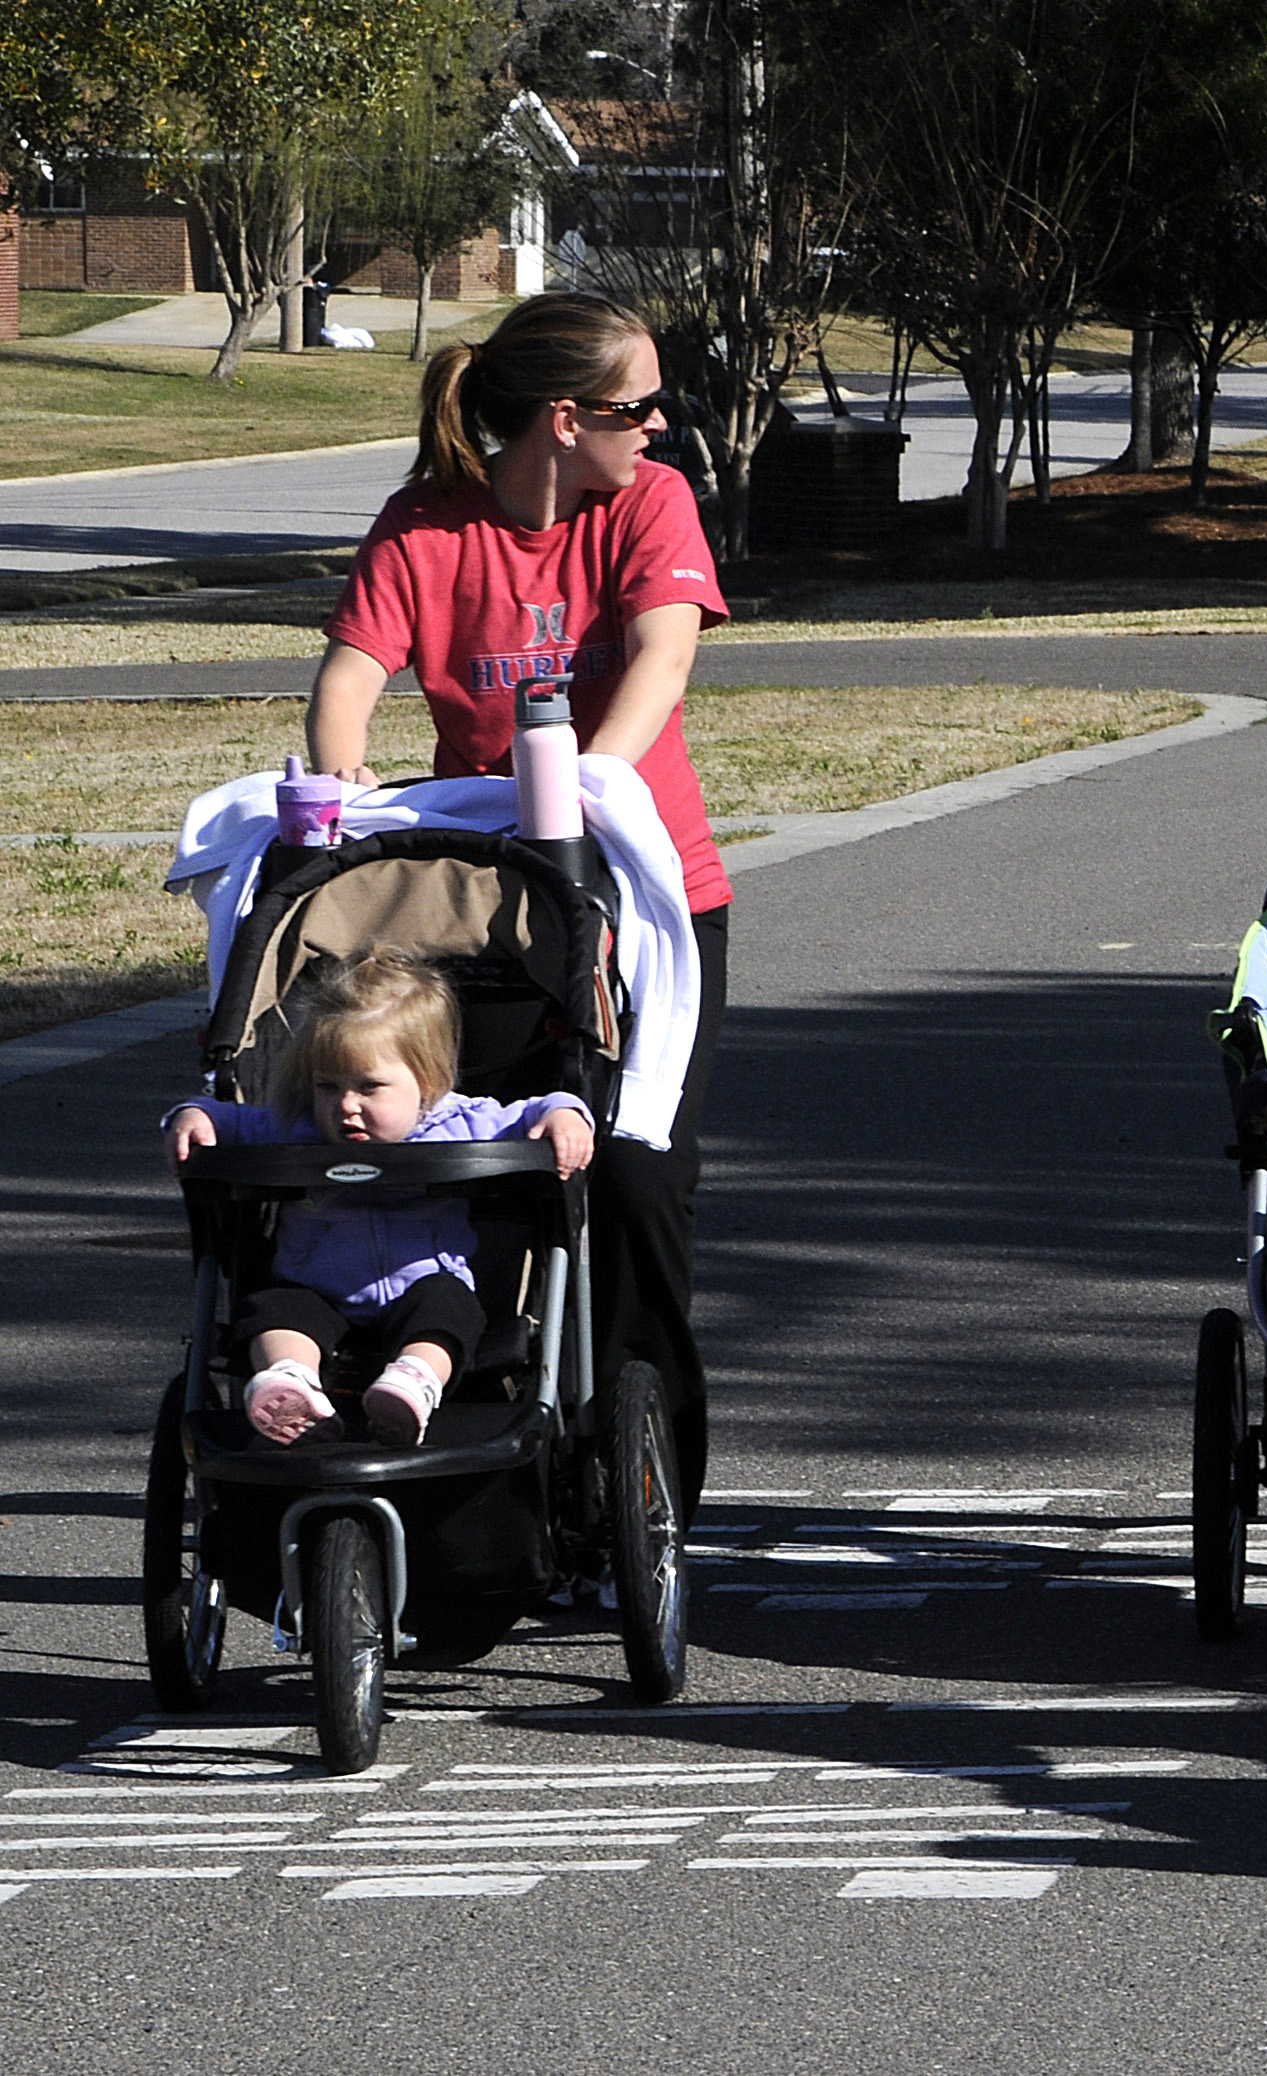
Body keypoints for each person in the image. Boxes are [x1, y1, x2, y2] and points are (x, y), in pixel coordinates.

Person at [299, 290, 728, 1442]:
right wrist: (338, 808)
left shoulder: (652, 503)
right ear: (563, 417)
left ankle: (642, 1478)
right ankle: (478, 1423)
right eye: (638, 405)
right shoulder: (426, 524)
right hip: (487, 912)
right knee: (479, 1161)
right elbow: (348, 680)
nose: (658, 425)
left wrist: (587, 785)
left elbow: (661, 660)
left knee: (637, 1184)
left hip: (642, 896)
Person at [161, 950, 595, 1448]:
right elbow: (230, 1119)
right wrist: (195, 1117)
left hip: (423, 1284)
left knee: (449, 1308)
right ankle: (289, 1381)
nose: (346, 1105)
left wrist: (565, 1114)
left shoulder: (462, 1124)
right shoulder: (297, 1126)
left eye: (369, 1088)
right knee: (273, 1307)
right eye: (328, 1086)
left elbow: (533, 1111)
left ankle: (413, 1382)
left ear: (427, 1083)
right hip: (318, 1287)